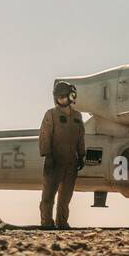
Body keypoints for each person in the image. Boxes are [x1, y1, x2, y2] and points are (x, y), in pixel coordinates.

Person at [39, 80, 85, 229]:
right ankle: (46, 222)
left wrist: (81, 155)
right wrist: (47, 155)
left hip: (72, 161)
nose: (62, 100)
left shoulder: (77, 116)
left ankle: (62, 222)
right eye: (59, 97)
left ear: (71, 96)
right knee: (48, 195)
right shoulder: (51, 114)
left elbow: (81, 138)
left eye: (64, 97)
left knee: (65, 196)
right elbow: (45, 136)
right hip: (54, 160)